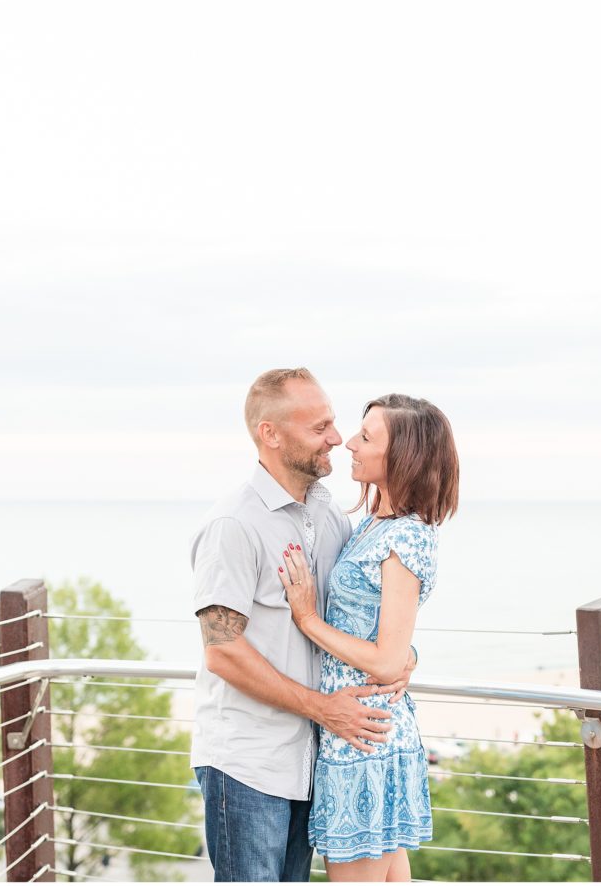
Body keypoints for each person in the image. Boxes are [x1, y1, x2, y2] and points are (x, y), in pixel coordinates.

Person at [190, 368, 416, 882]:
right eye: (320, 428)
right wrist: (324, 709)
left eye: (334, 423)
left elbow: (361, 614)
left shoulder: (328, 514)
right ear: (270, 434)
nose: (337, 438)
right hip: (247, 766)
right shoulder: (233, 525)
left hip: (312, 762)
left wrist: (403, 658)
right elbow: (221, 650)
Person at [279, 393, 459, 882]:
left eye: (366, 437)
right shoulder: (374, 526)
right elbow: (392, 644)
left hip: (365, 736)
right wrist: (408, 656)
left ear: (403, 456)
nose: (350, 445)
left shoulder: (408, 536)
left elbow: (384, 660)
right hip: (360, 728)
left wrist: (308, 619)